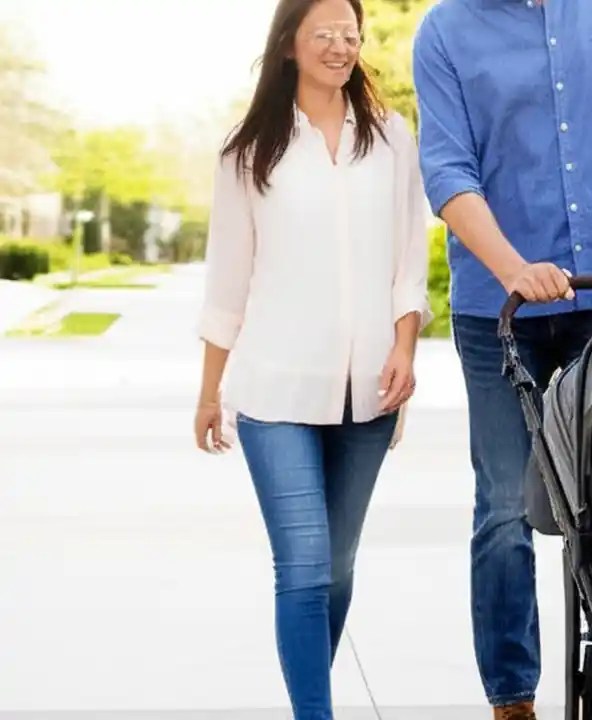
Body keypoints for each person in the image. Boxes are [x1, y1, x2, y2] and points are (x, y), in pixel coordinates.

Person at [411, 0, 592, 717]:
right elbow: (448, 170)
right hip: (499, 314)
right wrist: (514, 266)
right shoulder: (446, 29)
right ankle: (512, 697)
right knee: (507, 508)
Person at [192, 0, 428, 717]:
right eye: (323, 34)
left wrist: (406, 349)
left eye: (350, 34)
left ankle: (307, 698)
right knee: (301, 567)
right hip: (275, 389)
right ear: (289, 45)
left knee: (336, 569)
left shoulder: (391, 138)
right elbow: (227, 276)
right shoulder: (248, 147)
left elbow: (409, 259)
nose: (340, 46)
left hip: (370, 392)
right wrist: (209, 391)